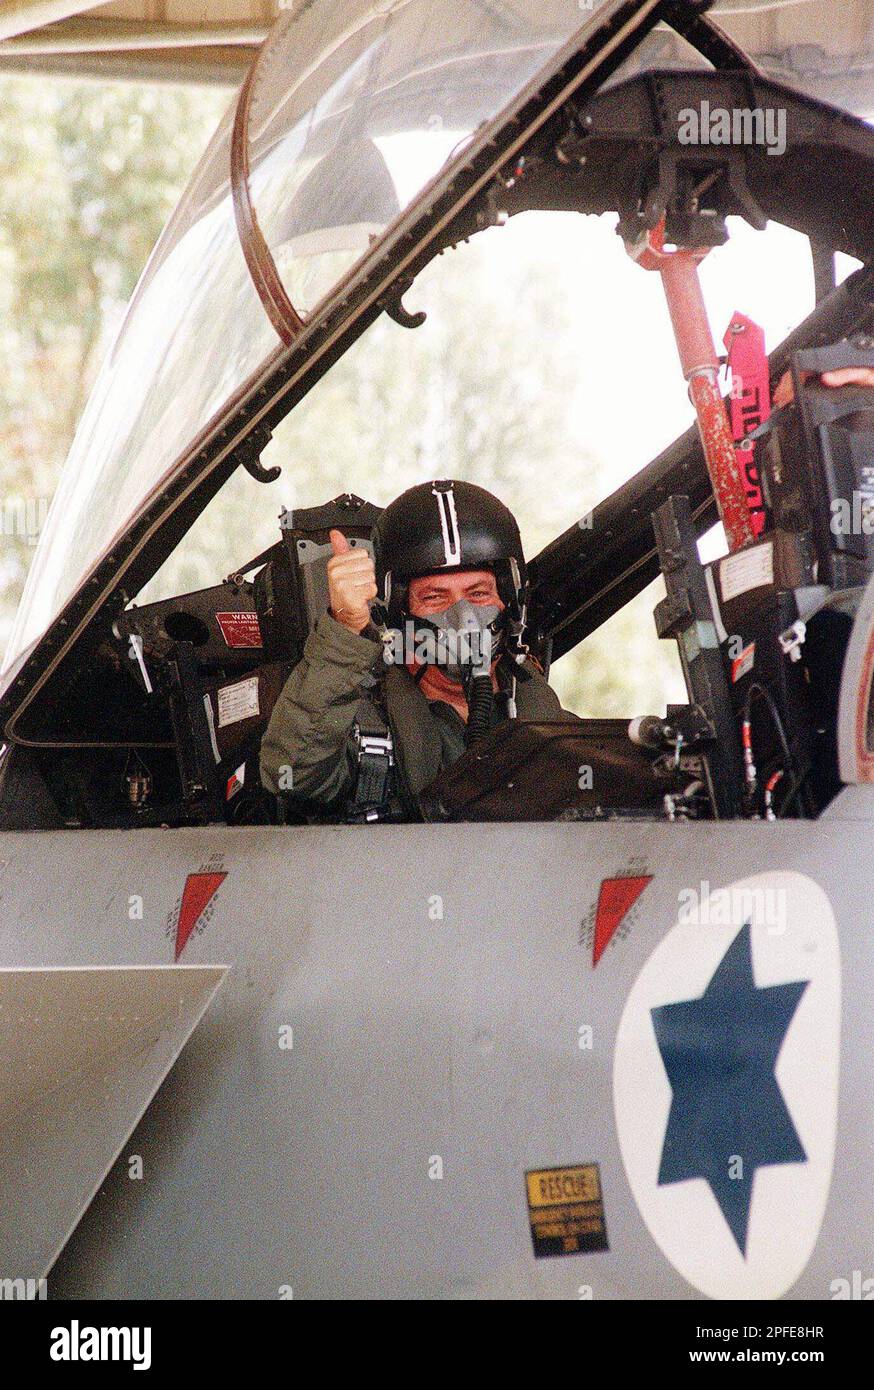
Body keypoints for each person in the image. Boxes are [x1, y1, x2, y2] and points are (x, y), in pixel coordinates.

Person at [260, 479, 577, 819]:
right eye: (434, 597)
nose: (463, 617)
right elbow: (290, 775)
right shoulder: (362, 728)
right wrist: (345, 627)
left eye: (479, 594)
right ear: (399, 613)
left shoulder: (557, 733)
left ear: (510, 602)